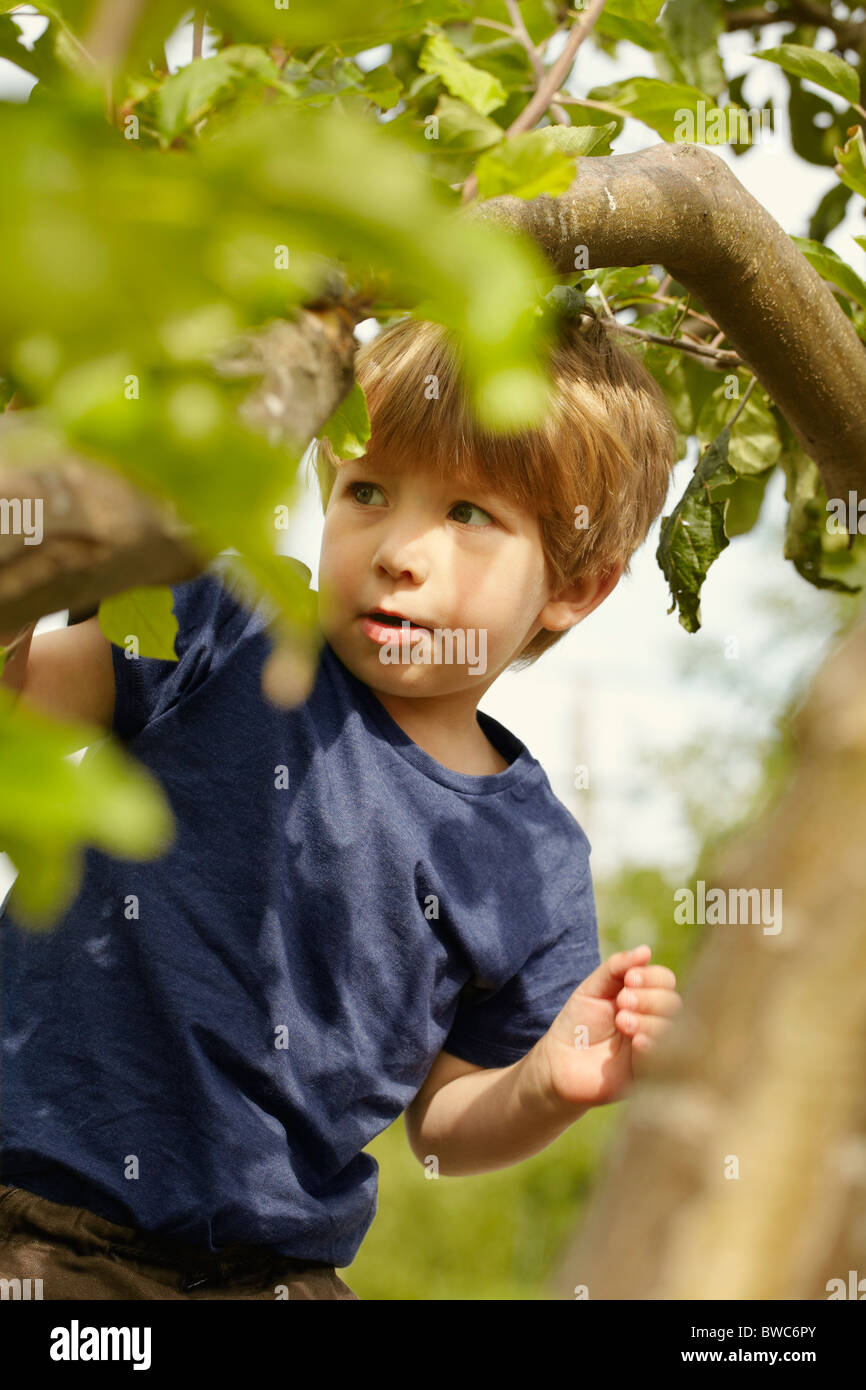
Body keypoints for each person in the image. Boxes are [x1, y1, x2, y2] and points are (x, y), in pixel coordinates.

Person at [0, 310, 683, 1300]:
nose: (398, 546)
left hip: (273, 1273)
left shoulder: (529, 856)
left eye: (466, 514)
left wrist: (540, 1088)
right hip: (44, 1225)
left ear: (573, 585)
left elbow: (442, 1123)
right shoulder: (231, 632)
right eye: (365, 490)